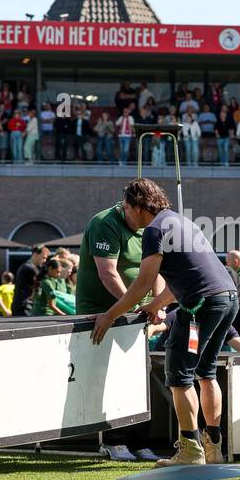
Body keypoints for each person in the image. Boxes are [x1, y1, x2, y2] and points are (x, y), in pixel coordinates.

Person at [90, 178, 238, 467]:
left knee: (180, 375)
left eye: (126, 208)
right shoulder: (183, 223)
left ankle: (190, 450)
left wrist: (110, 315)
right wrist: (154, 306)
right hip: (227, 298)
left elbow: (143, 282)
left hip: (199, 305)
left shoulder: (154, 230)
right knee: (206, 373)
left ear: (138, 206)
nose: (125, 215)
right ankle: (214, 449)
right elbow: (178, 282)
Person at [76, 187, 167, 462]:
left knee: (140, 375)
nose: (148, 222)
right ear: (131, 207)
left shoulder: (148, 226)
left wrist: (157, 306)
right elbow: (108, 273)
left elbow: (156, 273)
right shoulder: (104, 223)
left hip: (137, 314)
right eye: (145, 217)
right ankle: (114, 441)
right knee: (111, 376)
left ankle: (140, 442)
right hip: (101, 313)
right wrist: (132, 306)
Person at [12, 245, 48, 316]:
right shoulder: (29, 268)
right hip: (23, 306)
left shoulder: (28, 266)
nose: (45, 260)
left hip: (22, 305)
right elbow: (44, 280)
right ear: (35, 254)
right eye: (43, 257)